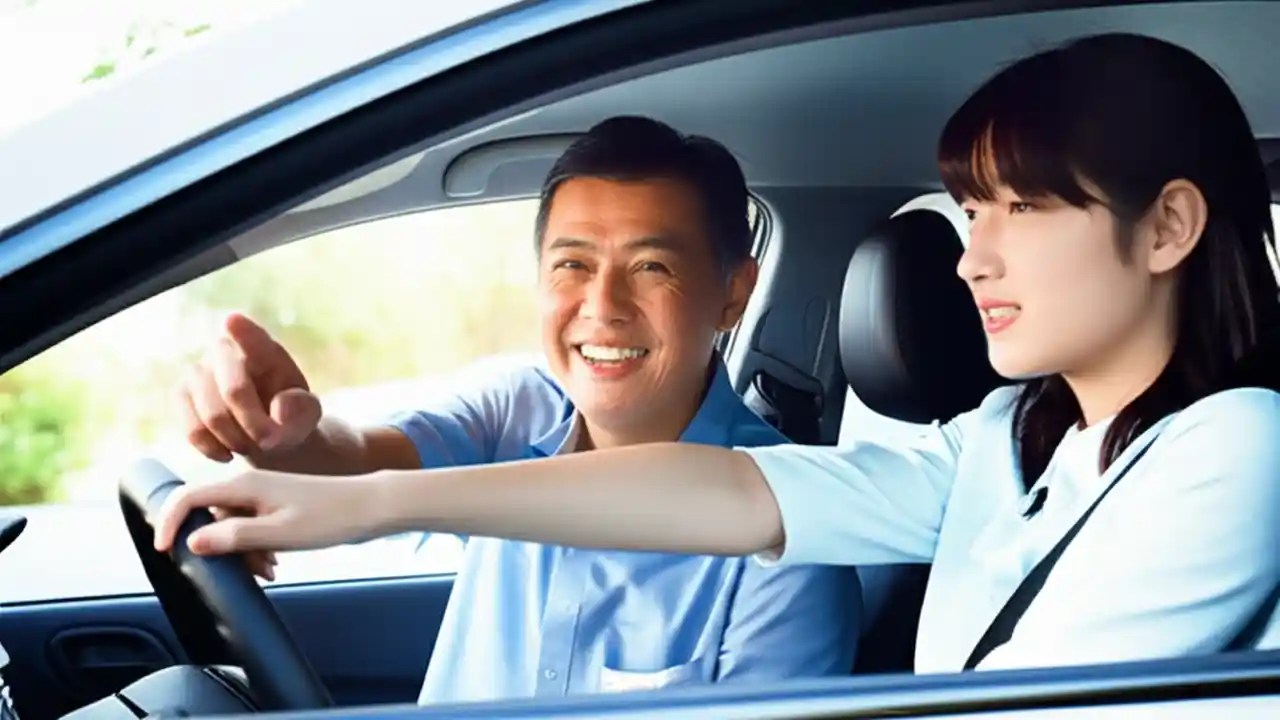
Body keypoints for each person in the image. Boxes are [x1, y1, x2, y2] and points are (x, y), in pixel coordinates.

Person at [157, 34, 1280, 674]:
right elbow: (736, 495)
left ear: (1167, 228)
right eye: (964, 213)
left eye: (1017, 211)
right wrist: (372, 501)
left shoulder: (1242, 444)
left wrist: (387, 500)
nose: (968, 260)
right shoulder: (1000, 444)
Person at [168, 116, 861, 702]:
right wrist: (280, 436)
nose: (603, 308)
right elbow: (349, 462)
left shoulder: (788, 542)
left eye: (652, 267)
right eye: (573, 265)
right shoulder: (518, 413)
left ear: (734, 294)